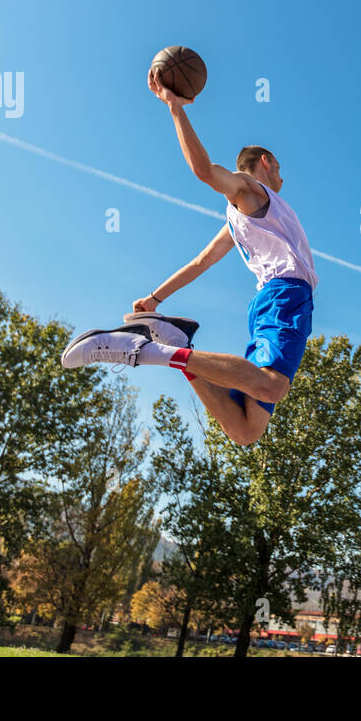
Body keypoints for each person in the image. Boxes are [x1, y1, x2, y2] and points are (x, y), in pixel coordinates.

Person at [61, 66, 318, 446]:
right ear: (264, 161)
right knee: (272, 388)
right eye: (277, 167)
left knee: (245, 431)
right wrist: (175, 107)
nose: (281, 176)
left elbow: (201, 262)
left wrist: (155, 299)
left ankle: (174, 343)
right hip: (285, 296)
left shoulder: (239, 222)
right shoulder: (252, 192)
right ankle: (144, 351)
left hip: (272, 301)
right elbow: (204, 171)